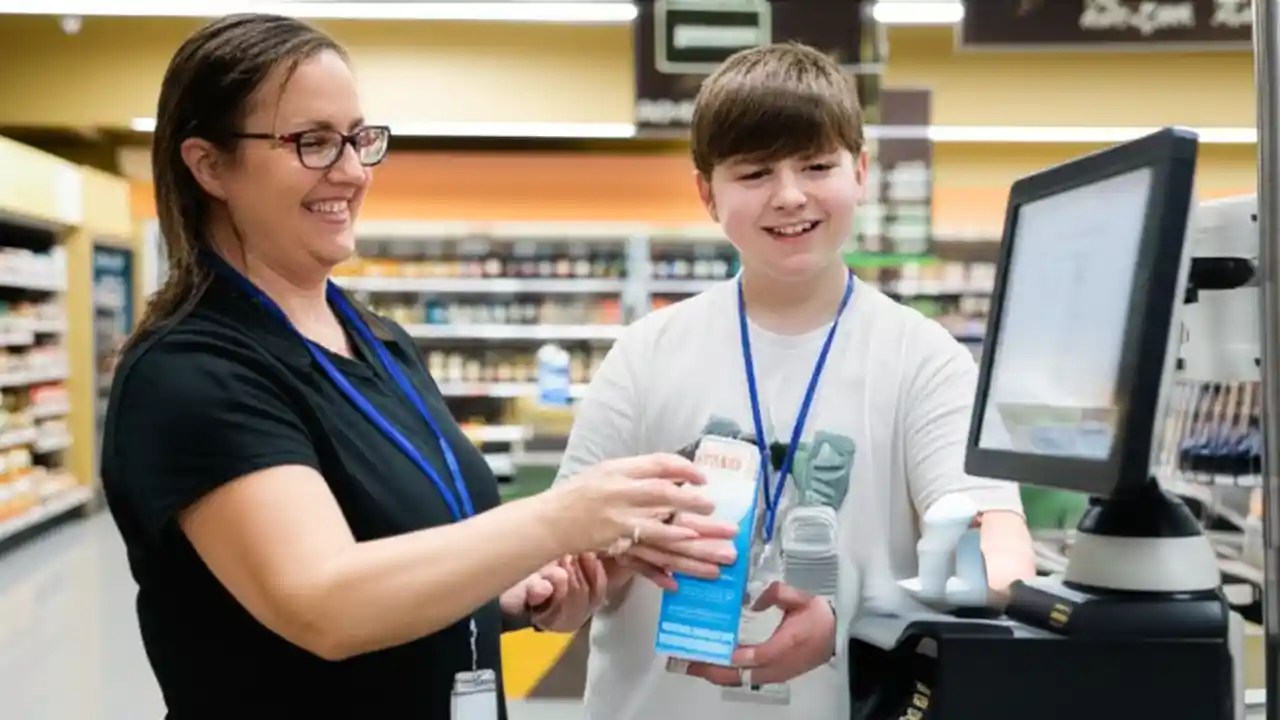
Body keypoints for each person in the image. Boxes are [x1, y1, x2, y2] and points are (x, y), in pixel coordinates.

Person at [98, 14, 734, 719]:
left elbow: (400, 551)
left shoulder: (378, 341)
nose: (351, 171)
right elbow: (324, 602)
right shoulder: (193, 372)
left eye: (358, 139)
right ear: (209, 164)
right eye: (312, 142)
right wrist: (561, 519)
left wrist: (508, 593)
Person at [549, 43, 1038, 719]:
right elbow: (569, 569)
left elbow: (1001, 555)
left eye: (816, 166)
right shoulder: (644, 355)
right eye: (755, 172)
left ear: (860, 172)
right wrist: (563, 591)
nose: (789, 195)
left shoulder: (924, 359)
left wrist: (851, 615)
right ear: (707, 194)